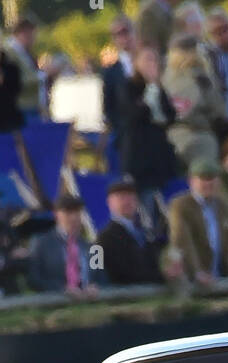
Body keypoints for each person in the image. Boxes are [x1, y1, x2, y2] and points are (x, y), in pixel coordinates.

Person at [121, 48, 180, 212]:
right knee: (146, 204)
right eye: (147, 60)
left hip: (160, 156)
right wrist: (149, 97)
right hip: (140, 156)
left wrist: (155, 88)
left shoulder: (160, 88)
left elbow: (170, 115)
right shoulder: (129, 87)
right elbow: (134, 115)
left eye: (154, 60)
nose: (152, 64)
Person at [162, 34, 227, 171]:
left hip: (171, 139)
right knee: (206, 179)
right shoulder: (201, 77)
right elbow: (219, 111)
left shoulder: (163, 78)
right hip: (201, 138)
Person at [98, 175, 177, 285]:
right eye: (121, 197)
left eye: (131, 197)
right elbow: (120, 273)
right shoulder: (105, 237)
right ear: (110, 202)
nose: (127, 202)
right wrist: (162, 275)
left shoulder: (145, 233)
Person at [28, 193, 99, 297]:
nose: (74, 217)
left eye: (77, 212)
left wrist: (96, 287)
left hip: (91, 305)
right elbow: (33, 279)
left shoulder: (93, 246)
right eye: (68, 212)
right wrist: (62, 290)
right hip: (57, 307)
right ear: (56, 214)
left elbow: (102, 276)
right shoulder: (40, 243)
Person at [102, 17, 137, 163]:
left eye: (125, 32)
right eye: (117, 34)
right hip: (125, 132)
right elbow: (108, 106)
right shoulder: (111, 71)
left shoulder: (149, 61)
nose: (123, 38)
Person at [5, 14, 44, 122]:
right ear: (24, 32)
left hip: (30, 106)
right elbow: (18, 80)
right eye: (33, 34)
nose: (34, 38)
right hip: (21, 107)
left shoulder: (24, 52)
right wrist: (45, 75)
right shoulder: (10, 53)